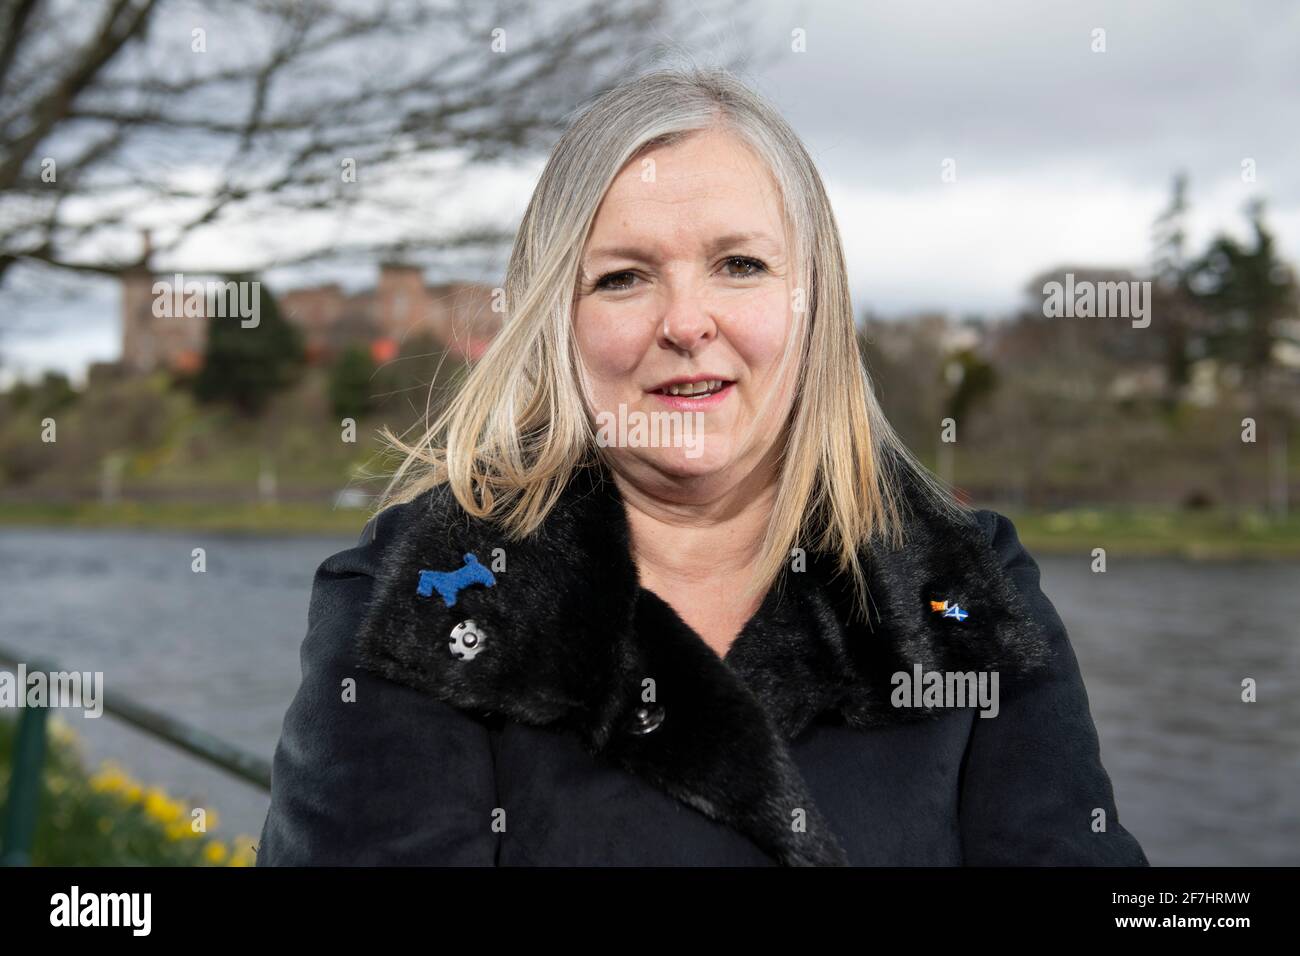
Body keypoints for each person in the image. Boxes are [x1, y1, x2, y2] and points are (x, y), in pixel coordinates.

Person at [257, 67, 1148, 866]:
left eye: (739, 264)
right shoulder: (415, 597)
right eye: (623, 278)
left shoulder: (964, 589)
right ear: (553, 322)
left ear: (813, 303)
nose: (686, 322)